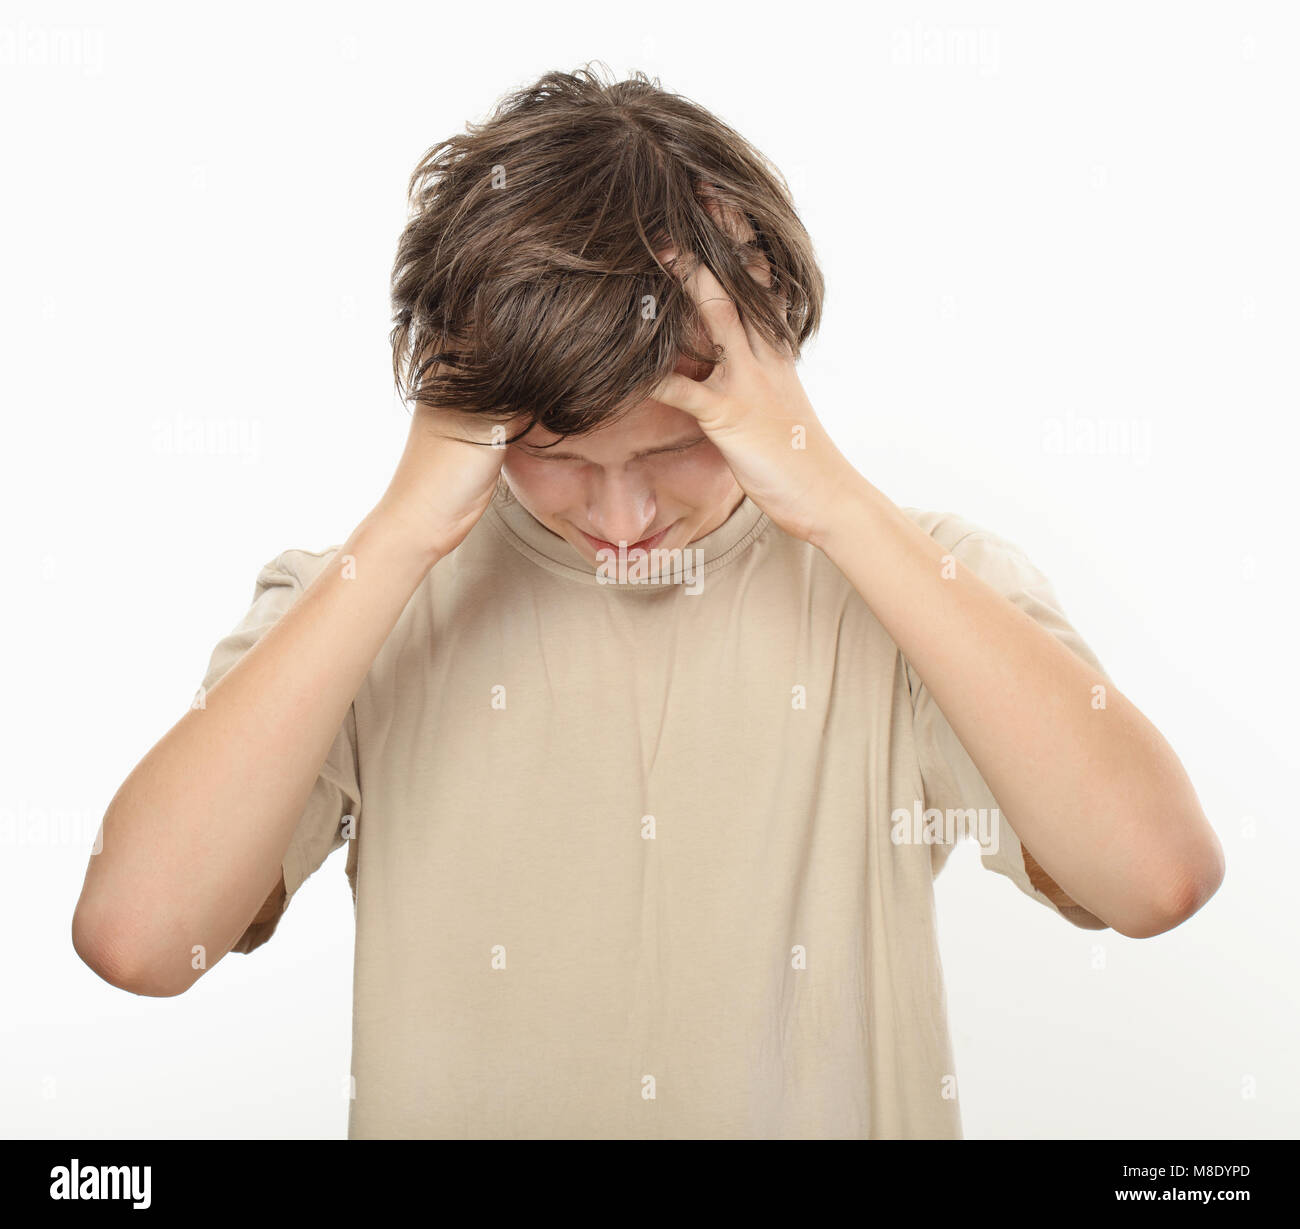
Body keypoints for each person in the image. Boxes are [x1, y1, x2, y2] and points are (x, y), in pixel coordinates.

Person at [71, 65, 1224, 1139]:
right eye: (558, 454)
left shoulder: (914, 585)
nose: (623, 523)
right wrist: (404, 527)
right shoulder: (362, 606)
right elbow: (138, 938)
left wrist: (829, 497)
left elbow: (1152, 876)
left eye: (677, 448)